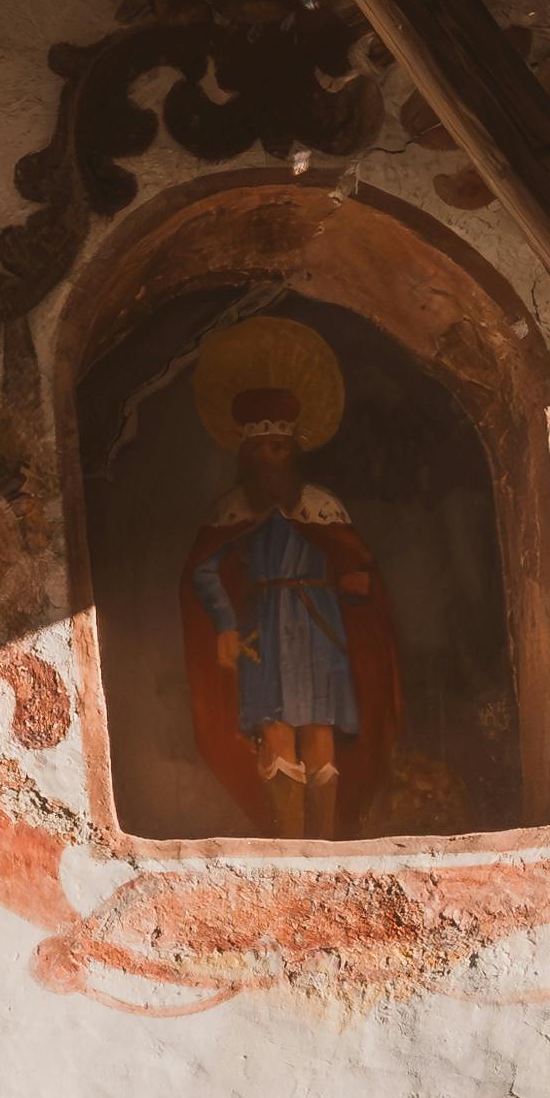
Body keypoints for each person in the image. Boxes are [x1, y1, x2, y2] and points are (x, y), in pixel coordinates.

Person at [176, 310, 397, 838]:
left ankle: (324, 846)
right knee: (275, 732)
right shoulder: (234, 508)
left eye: (281, 448)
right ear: (249, 455)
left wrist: (355, 584)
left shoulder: (321, 505)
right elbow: (204, 568)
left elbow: (356, 564)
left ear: (293, 451)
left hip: (319, 631)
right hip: (265, 632)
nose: (272, 459)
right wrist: (226, 623)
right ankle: (289, 844)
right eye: (263, 450)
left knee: (319, 733)